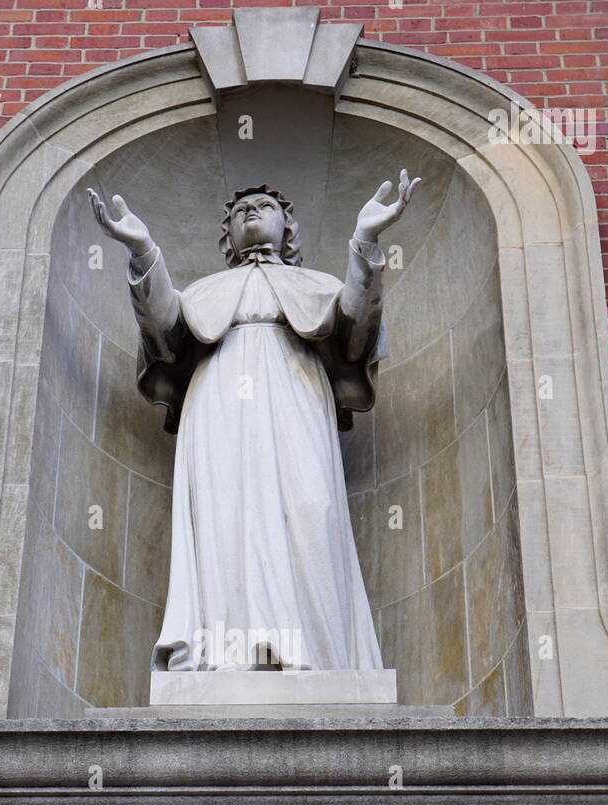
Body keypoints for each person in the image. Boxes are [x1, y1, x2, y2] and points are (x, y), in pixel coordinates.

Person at [88, 172, 420, 673]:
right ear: (228, 235)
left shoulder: (316, 286)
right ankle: (227, 656)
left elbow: (356, 329)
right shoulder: (206, 291)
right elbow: (164, 331)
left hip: (296, 394)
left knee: (311, 506)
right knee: (226, 514)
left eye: (265, 204)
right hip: (218, 400)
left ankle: (319, 653)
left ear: (289, 227)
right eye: (241, 209)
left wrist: (366, 242)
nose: (251, 211)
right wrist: (143, 251)